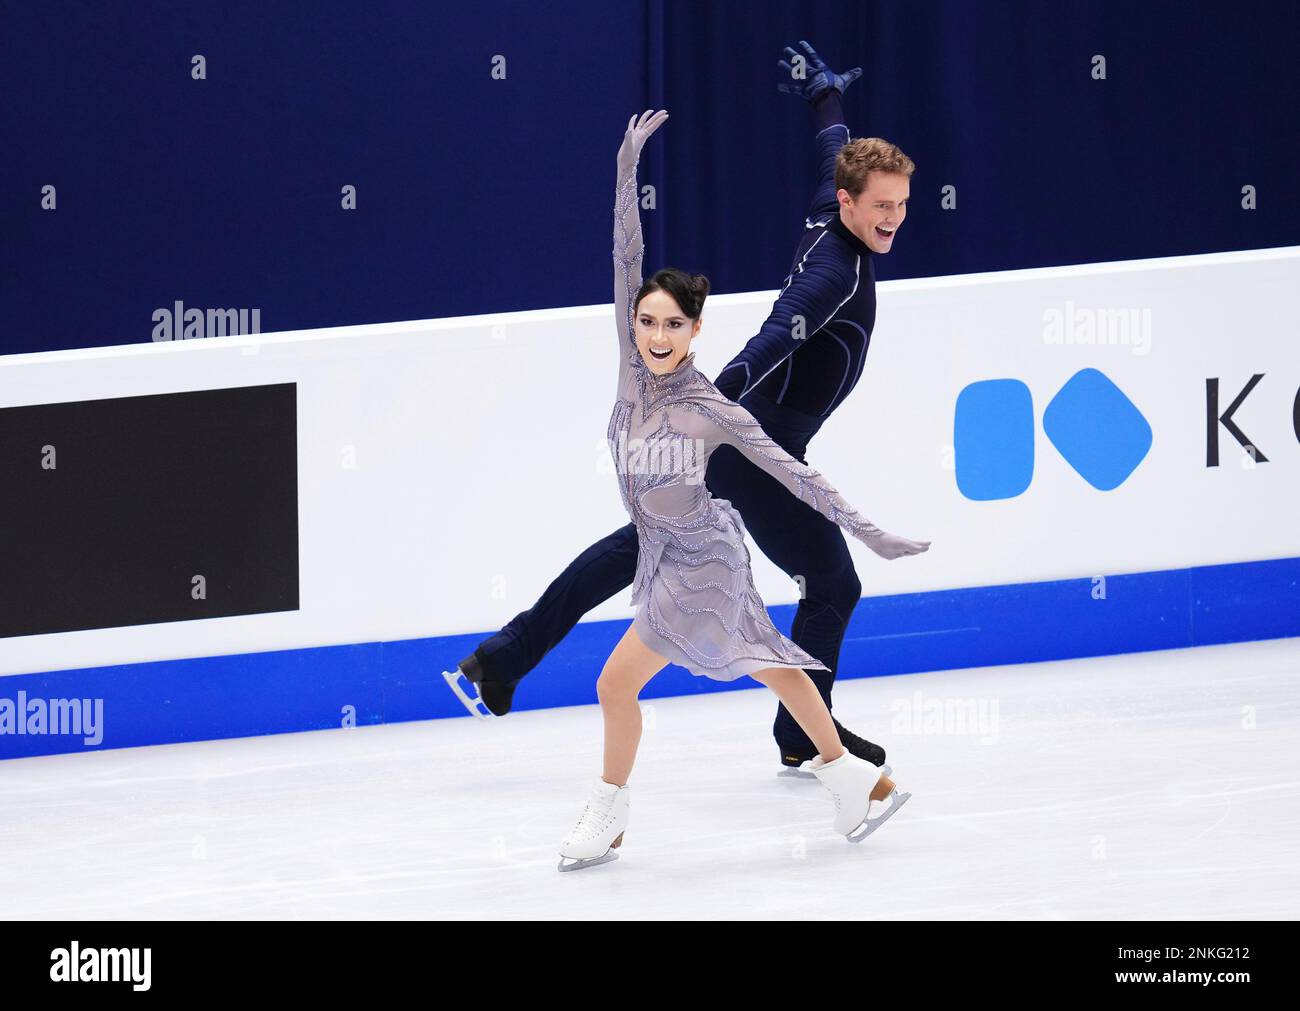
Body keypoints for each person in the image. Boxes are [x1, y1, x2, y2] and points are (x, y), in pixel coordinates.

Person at [445, 42, 916, 775]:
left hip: (736, 442)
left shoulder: (833, 205)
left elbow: (835, 148)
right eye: (882, 206)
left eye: (903, 205)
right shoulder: (834, 273)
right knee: (833, 583)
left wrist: (826, 99)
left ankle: (502, 656)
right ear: (852, 204)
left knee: (638, 543)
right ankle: (803, 733)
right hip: (760, 448)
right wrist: (714, 400)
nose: (894, 218)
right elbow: (776, 332)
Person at [553, 109, 928, 870]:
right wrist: (627, 170)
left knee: (621, 682)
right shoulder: (634, 368)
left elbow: (791, 464)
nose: (657, 335)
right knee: (776, 665)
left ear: (695, 332)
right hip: (673, 548)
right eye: (646, 322)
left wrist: (869, 529)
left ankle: (608, 815)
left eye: (672, 326)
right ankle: (852, 780)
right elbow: (628, 256)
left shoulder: (714, 402)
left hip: (702, 555)